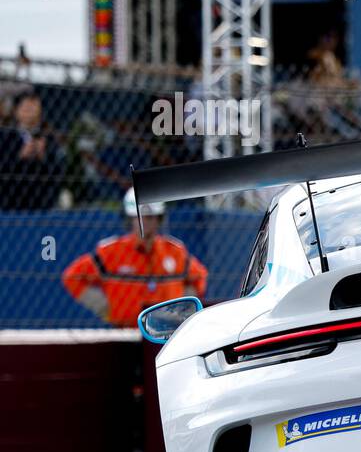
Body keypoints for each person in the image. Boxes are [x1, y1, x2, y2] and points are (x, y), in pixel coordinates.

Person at [62, 189, 209, 327]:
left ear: (159, 220)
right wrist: (105, 307)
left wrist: (181, 309)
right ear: (129, 219)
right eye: (139, 218)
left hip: (167, 333)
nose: (145, 223)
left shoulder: (174, 251)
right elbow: (72, 277)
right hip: (125, 331)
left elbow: (199, 276)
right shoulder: (111, 251)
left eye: (150, 218)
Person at [0, 87, 65, 210]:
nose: (30, 111)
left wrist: (43, 156)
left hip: (43, 202)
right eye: (26, 108)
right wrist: (20, 157)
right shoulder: (5, 137)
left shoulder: (49, 138)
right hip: (10, 202)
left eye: (34, 108)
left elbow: (60, 171)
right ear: (16, 111)